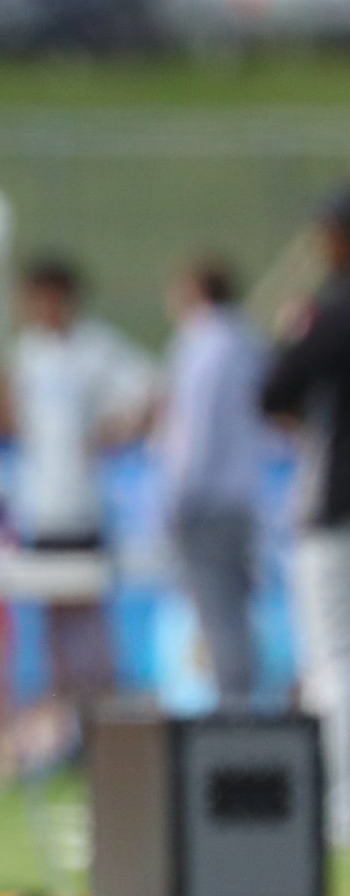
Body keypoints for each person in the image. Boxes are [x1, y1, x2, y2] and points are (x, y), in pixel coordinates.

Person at [0, 256, 153, 765]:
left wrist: (115, 434)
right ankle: (63, 732)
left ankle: (97, 726)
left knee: (90, 624)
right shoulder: (29, 353)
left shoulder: (96, 348)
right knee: (52, 627)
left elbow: (149, 388)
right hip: (41, 509)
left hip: (84, 509)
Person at [261, 187, 350, 844]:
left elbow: (273, 390)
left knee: (335, 657)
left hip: (337, 505)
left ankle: (343, 802)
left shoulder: (332, 311)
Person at [157, 256, 267, 706]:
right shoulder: (246, 341)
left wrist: (178, 495)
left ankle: (233, 717)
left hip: (206, 500)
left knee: (217, 614)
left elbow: (194, 429)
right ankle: (244, 705)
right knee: (235, 614)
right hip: (241, 497)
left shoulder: (202, 346)